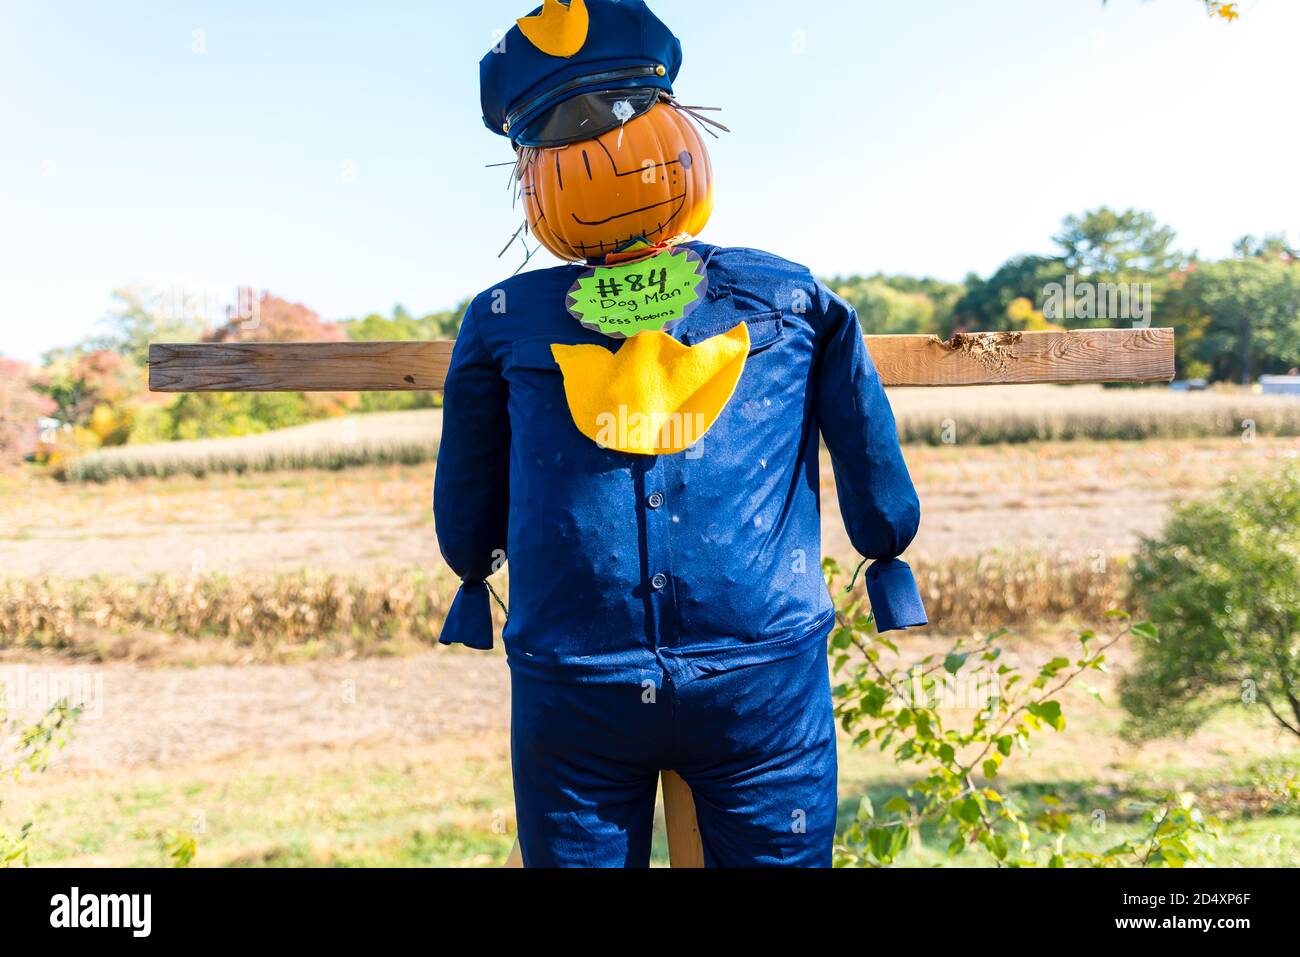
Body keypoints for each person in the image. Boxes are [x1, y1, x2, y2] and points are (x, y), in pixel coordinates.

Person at [435, 0, 926, 867]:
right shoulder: (789, 293)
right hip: (749, 671)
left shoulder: (504, 317)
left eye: (617, 118)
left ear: (527, 180)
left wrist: (471, 568)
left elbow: (467, 491)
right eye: (566, 133)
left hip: (589, 677)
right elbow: (867, 444)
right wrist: (885, 542)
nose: (598, 152)